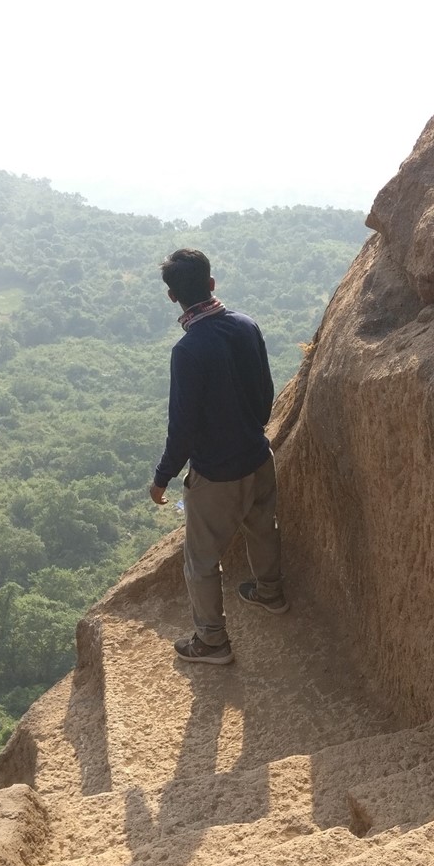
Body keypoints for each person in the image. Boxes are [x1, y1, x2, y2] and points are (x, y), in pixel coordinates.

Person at [149, 248, 286, 665]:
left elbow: (183, 427)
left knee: (201, 561)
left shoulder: (188, 351)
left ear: (173, 297)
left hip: (217, 474)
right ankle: (270, 592)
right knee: (263, 527)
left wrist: (162, 477)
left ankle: (212, 642)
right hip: (258, 456)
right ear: (211, 284)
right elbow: (266, 394)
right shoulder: (246, 326)